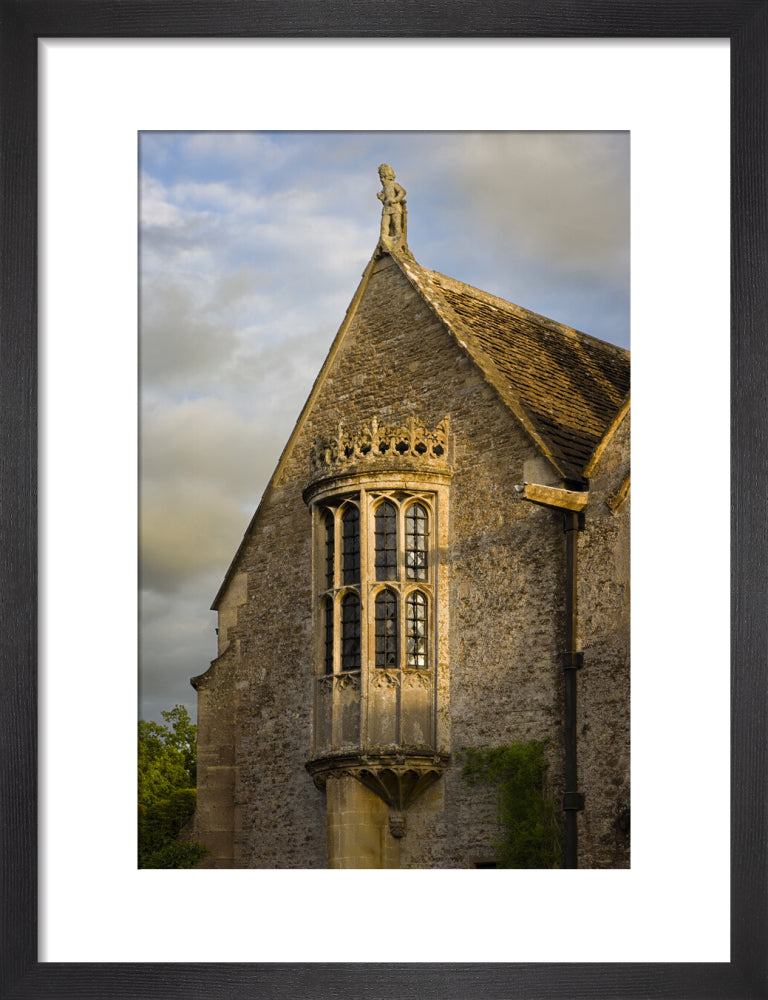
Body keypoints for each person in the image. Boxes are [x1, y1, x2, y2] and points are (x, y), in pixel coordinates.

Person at [377, 164, 406, 241]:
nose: (382, 180)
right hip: (386, 208)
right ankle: (384, 238)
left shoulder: (394, 185)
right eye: (381, 177)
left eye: (383, 177)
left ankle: (397, 238)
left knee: (396, 224)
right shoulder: (384, 189)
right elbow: (384, 201)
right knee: (384, 224)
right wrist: (381, 198)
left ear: (388, 177)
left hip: (395, 207)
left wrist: (395, 199)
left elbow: (402, 192)